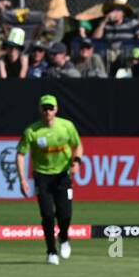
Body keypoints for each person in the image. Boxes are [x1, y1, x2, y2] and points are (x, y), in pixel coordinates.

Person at [17, 95, 82, 265]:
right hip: (42, 176)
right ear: (40, 110)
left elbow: (78, 145)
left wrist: (76, 161)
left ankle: (64, 237)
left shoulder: (66, 126)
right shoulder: (32, 131)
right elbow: (21, 154)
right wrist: (23, 180)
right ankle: (51, 251)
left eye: (50, 108)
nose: (48, 111)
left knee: (65, 214)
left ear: (56, 109)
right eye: (44, 108)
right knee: (47, 215)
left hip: (62, 175)